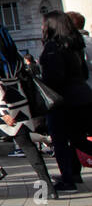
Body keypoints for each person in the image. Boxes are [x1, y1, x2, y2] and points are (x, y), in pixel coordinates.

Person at [0, 22, 56, 199]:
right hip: (19, 103)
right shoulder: (13, 53)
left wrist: (3, 112)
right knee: (28, 147)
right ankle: (47, 185)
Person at [39, 11, 92, 191]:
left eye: (44, 24)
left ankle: (67, 179)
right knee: (78, 139)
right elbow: (84, 73)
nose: (42, 27)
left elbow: (55, 78)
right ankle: (69, 176)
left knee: (60, 141)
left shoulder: (54, 47)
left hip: (62, 101)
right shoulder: (75, 45)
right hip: (81, 97)